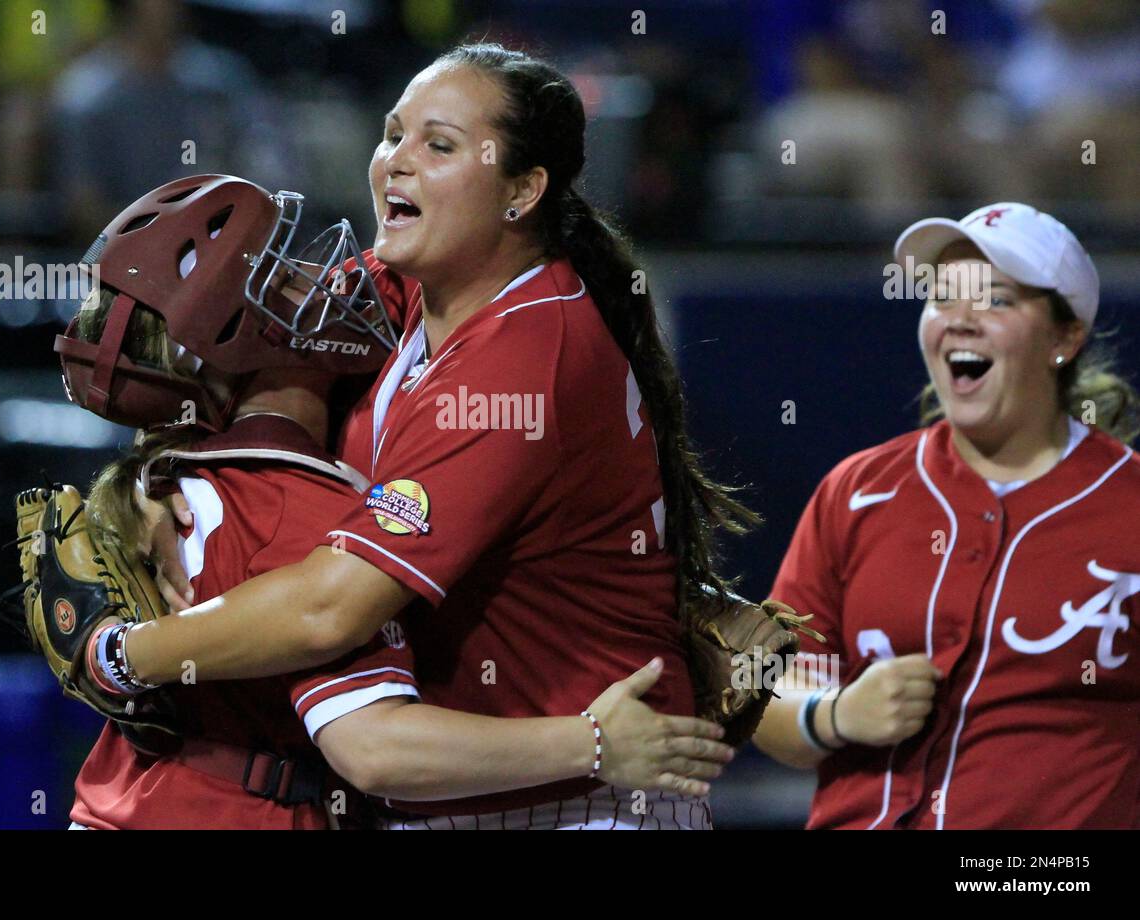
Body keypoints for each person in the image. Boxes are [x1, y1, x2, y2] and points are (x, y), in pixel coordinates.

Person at [82, 43, 754, 829]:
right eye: (392, 135)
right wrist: (142, 484)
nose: (395, 163)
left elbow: (330, 610)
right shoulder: (417, 284)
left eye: (437, 145)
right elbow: (217, 331)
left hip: (574, 796)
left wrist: (122, 655)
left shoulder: (522, 361)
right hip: (469, 788)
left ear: (523, 191)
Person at [753, 202, 1140, 829]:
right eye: (941, 297)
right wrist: (835, 714)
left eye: (995, 299)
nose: (959, 319)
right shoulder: (857, 491)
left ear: (1064, 338)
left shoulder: (1128, 505)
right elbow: (768, 692)